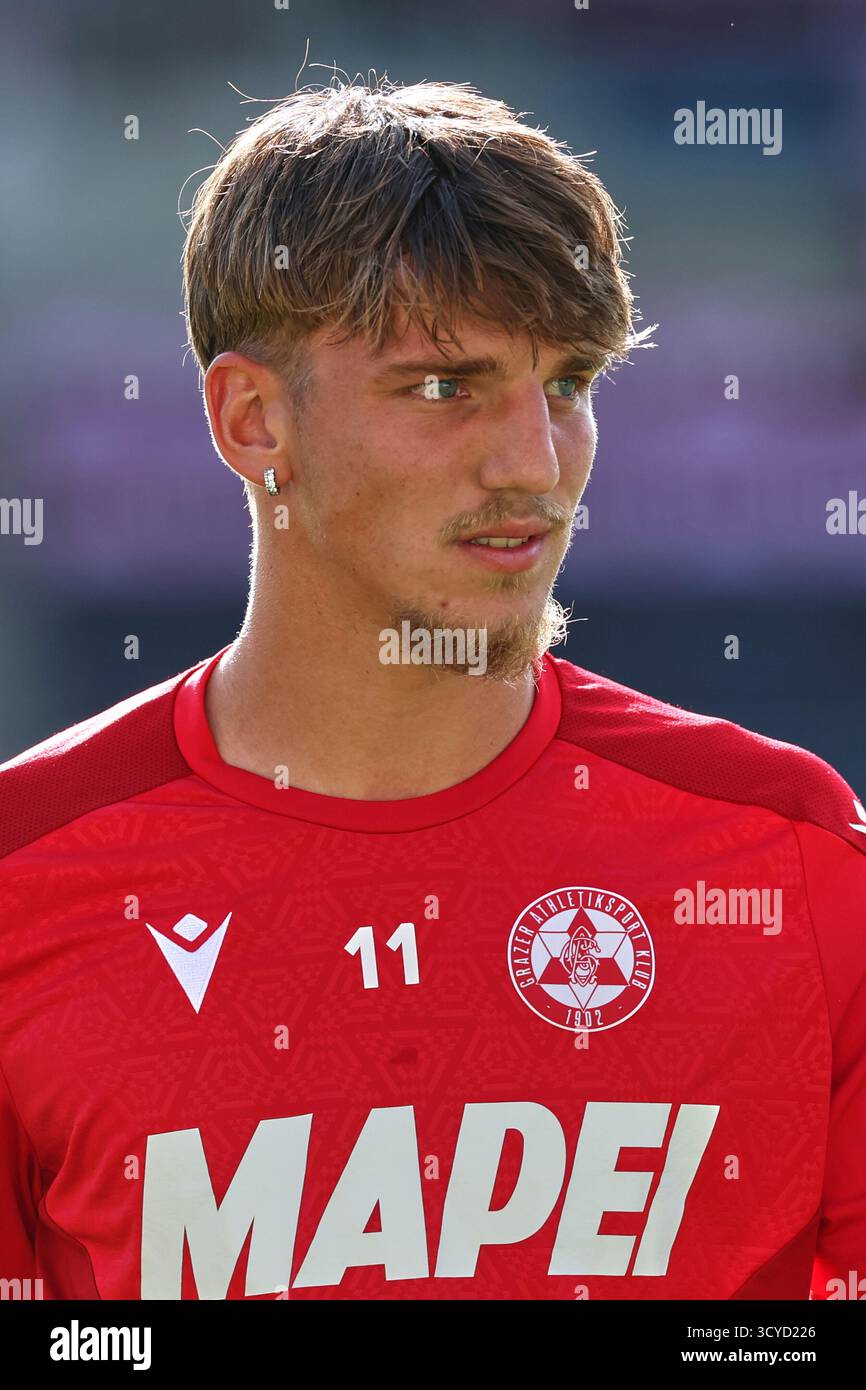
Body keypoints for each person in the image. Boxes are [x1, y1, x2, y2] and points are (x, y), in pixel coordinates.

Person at [0, 79, 863, 1301]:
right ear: (253, 420)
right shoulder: (23, 882)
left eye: (564, 383)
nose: (533, 463)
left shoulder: (784, 858)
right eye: (444, 386)